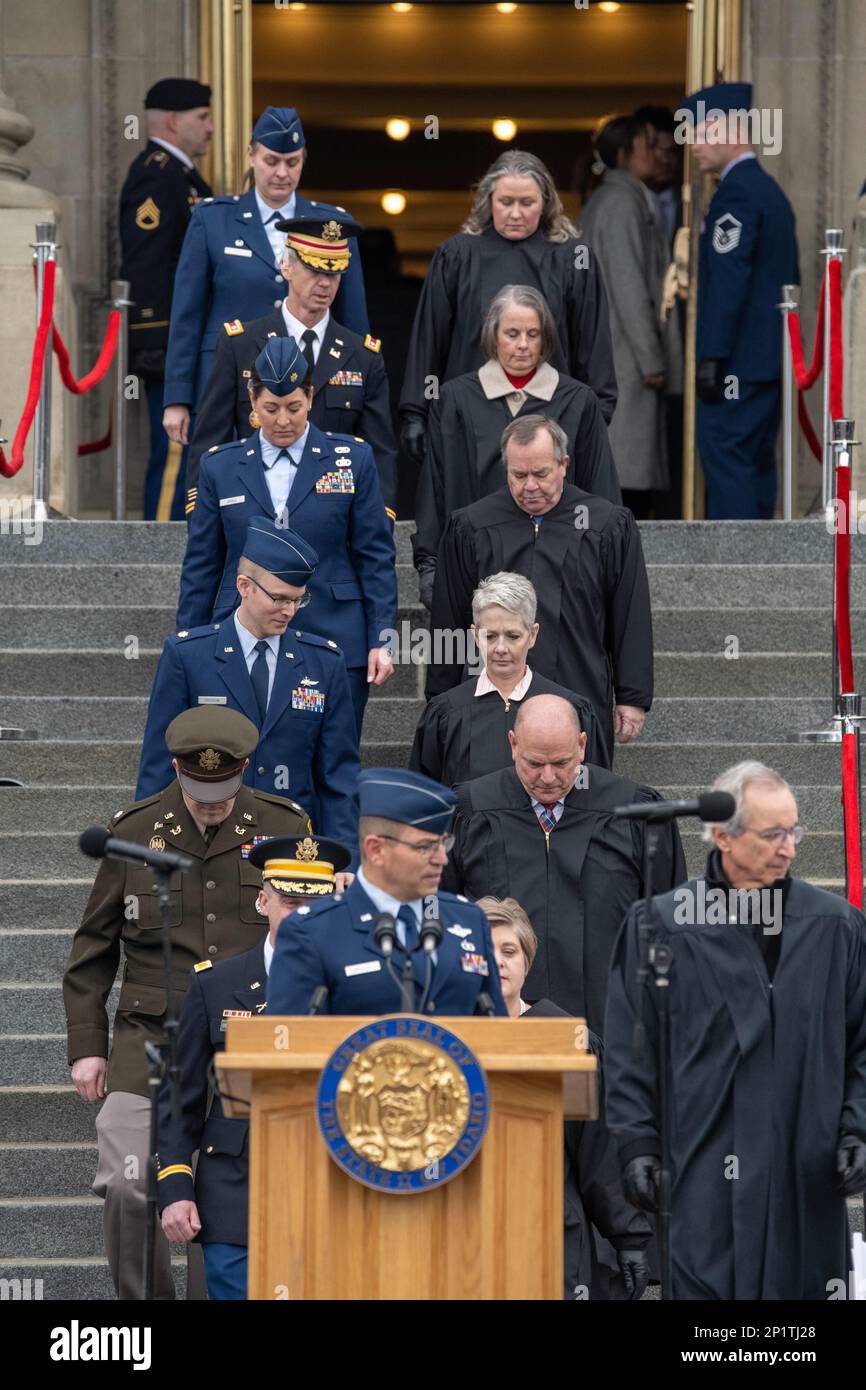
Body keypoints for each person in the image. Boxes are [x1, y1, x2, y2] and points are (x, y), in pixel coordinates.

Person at [62, 706, 313, 1301]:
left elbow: (311, 931)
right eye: (200, 791)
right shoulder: (132, 832)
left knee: (219, 1189)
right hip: (147, 1042)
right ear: (175, 768)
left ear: (245, 769)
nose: (211, 803)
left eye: (223, 791)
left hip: (245, 1037)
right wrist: (86, 1049)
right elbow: (92, 949)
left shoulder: (282, 826)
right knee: (128, 1184)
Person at [605, 761, 866, 1300]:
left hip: (806, 1172)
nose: (790, 848)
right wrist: (636, 1144)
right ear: (722, 835)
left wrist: (857, 1129)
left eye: (794, 831)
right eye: (773, 834)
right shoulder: (664, 925)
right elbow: (633, 1049)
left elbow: (862, 1044)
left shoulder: (834, 927)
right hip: (702, 1169)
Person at [157, 833, 351, 1300]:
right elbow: (179, 1095)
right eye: (289, 901)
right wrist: (176, 1185)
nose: (302, 916)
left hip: (332, 1181)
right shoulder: (217, 983)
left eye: (316, 905)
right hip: (237, 1186)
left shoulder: (358, 986)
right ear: (263, 901)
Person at [176, 337, 397, 734]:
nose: (282, 421)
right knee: (239, 755)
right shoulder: (219, 467)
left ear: (311, 397)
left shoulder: (353, 459)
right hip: (241, 632)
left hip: (332, 630)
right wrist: (189, 644)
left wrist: (383, 638)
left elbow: (375, 556)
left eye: (294, 407)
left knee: (331, 764)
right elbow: (202, 565)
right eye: (271, 408)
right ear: (252, 400)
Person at [445, 695, 686, 1035]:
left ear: (582, 745)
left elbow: (668, 921)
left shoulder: (635, 812)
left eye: (561, 763)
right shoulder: (471, 810)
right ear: (513, 744)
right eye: (534, 763)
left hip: (608, 1020)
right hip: (495, 1023)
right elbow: (445, 914)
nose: (547, 778)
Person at [427, 414, 653, 765]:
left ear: (564, 464)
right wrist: (440, 699)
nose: (530, 486)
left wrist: (632, 696)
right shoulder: (472, 526)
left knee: (579, 802)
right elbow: (450, 617)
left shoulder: (605, 524)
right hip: (490, 696)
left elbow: (629, 615)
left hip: (580, 687)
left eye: (541, 474)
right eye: (518, 475)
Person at [137, 518, 360, 850]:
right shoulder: (188, 656)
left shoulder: (323, 663)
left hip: (291, 844)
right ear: (244, 586)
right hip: (206, 844)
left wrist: (344, 854)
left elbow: (337, 774)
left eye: (298, 600)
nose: (290, 611)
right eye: (279, 598)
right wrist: (150, 845)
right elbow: (159, 764)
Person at [162, 105, 368, 447]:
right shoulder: (212, 219)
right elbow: (187, 314)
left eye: (293, 162)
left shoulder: (331, 226)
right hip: (226, 383)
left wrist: (360, 387)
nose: (282, 173)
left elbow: (352, 318)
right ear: (251, 155)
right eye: (272, 161)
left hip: (306, 383)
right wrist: (177, 396)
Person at [398, 148, 617, 468]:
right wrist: (415, 412)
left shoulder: (574, 258)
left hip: (552, 424)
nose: (516, 213)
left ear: (546, 203)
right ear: (488, 201)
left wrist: (596, 415)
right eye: (506, 202)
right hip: (468, 423)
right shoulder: (456, 255)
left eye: (527, 203)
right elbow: (430, 338)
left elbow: (592, 346)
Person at [482, 896, 650, 1302]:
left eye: (510, 951)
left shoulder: (565, 1041)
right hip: (467, 1230)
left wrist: (627, 1234)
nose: (500, 962)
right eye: (487, 951)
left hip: (551, 1231)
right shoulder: (441, 1038)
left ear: (527, 962)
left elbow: (598, 1148)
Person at [412, 283, 621, 604]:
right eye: (512, 333)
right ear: (493, 336)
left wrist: (606, 561)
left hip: (562, 573)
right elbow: (435, 486)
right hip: (474, 569)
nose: (523, 345)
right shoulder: (454, 400)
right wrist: (430, 564)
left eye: (533, 334)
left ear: (546, 338)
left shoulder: (579, 401)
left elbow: (601, 489)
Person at [187, 212, 398, 518]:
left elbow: (380, 451)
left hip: (335, 519)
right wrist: (201, 512)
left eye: (335, 273)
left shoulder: (362, 355)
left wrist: (380, 517)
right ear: (286, 266)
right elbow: (210, 440)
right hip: (256, 512)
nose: (325, 283)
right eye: (313, 270)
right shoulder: (241, 343)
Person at [268, 768, 508, 1017]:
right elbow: (290, 1042)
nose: (441, 859)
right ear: (376, 850)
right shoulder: (311, 931)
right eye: (425, 847)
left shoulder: (468, 920)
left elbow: (495, 1032)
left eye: (444, 844)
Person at [685, 82, 799, 519]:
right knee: (753, 469)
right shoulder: (765, 191)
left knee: (729, 467)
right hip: (763, 363)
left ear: (727, 129)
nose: (692, 144)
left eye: (699, 131)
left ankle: (734, 579)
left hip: (736, 364)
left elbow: (730, 284)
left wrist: (712, 356)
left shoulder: (738, 193)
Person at [119, 78, 213, 521]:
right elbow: (148, 264)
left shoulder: (183, 177)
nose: (211, 127)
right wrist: (158, 339)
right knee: (175, 448)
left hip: (187, 340)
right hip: (172, 341)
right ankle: (158, 544)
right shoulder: (158, 176)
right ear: (175, 121)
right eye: (203, 117)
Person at [410, 571, 606, 781]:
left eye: (513, 636)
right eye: (490, 636)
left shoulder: (570, 709)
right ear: (475, 636)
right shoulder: (446, 712)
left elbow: (593, 794)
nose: (501, 648)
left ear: (532, 635)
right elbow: (424, 796)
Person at [580, 116, 682, 520]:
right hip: (625, 355)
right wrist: (652, 359)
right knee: (627, 474)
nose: (658, 154)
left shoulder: (617, 198)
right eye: (647, 145)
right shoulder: (621, 202)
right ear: (623, 154)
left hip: (618, 351)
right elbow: (628, 284)